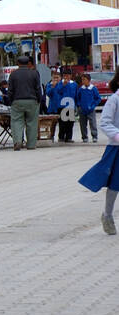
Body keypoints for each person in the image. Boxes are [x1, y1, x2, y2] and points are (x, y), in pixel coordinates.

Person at [77, 75, 119, 234]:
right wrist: (117, 135)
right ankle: (107, 215)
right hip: (117, 148)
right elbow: (105, 123)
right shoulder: (114, 100)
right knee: (115, 185)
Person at [7, 54, 42, 151]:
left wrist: (10, 101)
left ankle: (18, 141)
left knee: (16, 121)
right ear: (28, 63)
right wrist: (39, 100)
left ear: (18, 63)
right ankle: (31, 144)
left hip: (17, 101)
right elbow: (38, 88)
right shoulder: (34, 73)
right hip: (32, 101)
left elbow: (10, 90)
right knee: (32, 122)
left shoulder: (13, 74)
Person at [78, 72, 101, 143]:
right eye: (82, 80)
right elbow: (78, 98)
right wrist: (79, 105)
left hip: (91, 109)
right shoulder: (81, 89)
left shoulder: (93, 88)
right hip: (82, 110)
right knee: (82, 124)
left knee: (92, 123)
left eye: (84, 80)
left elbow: (98, 98)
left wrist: (93, 105)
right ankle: (84, 137)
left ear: (88, 80)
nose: (83, 81)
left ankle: (94, 136)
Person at [58, 70, 79, 142]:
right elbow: (58, 91)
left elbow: (76, 95)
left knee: (70, 122)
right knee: (63, 122)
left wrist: (77, 104)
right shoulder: (60, 83)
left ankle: (69, 137)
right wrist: (63, 85)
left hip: (71, 105)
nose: (66, 77)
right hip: (63, 106)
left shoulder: (74, 84)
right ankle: (61, 137)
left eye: (68, 75)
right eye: (65, 75)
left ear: (70, 76)